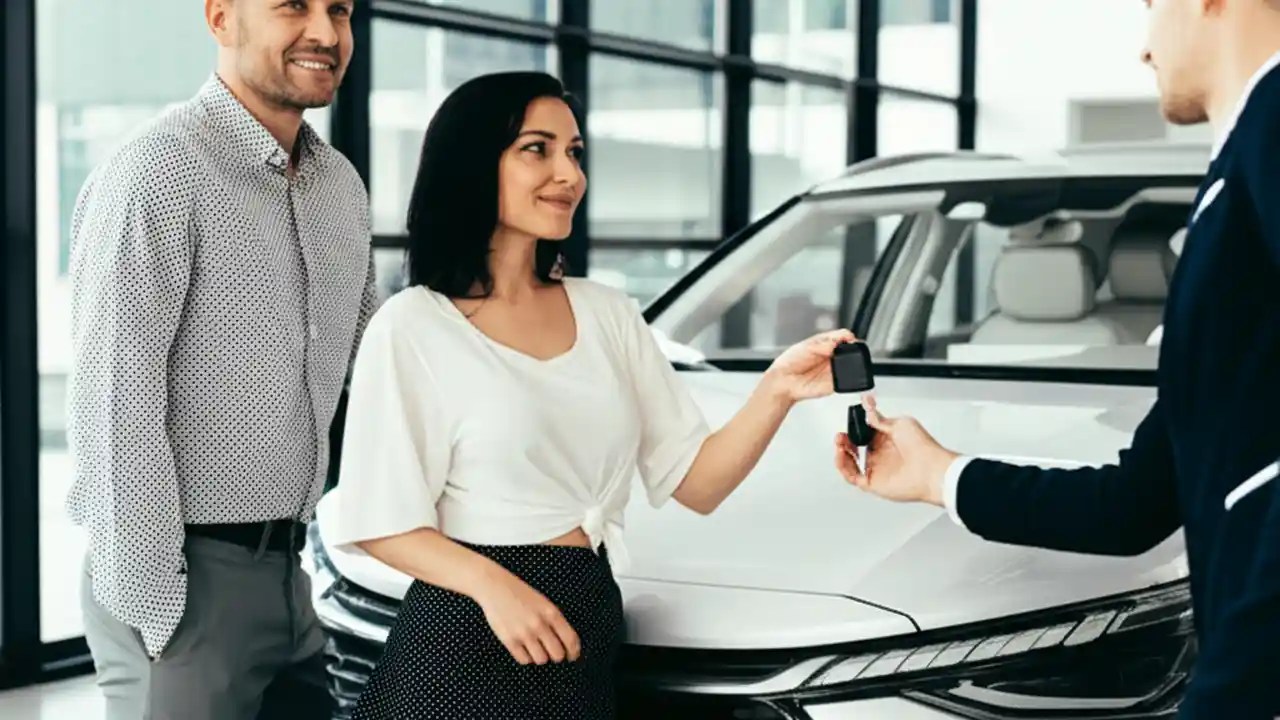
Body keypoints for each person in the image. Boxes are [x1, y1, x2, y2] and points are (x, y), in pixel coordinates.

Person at [320, 70, 853, 720]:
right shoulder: (413, 325)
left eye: (575, 152)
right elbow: (380, 521)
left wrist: (779, 389)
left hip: (584, 627)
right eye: (536, 149)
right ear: (472, 163)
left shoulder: (608, 314)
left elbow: (697, 483)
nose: (568, 174)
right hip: (464, 637)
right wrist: (496, 590)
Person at [833, 1, 1280, 717]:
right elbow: (1134, 506)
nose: (1145, 49)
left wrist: (1235, 683)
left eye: (1151, 6)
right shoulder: (1238, 174)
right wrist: (936, 474)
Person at [66, 1, 375, 718]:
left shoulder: (341, 188)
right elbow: (115, 398)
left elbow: (373, 358)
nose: (326, 34)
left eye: (340, 10)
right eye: (292, 6)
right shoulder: (160, 169)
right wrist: (155, 609)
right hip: (183, 589)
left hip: (293, 578)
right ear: (220, 17)